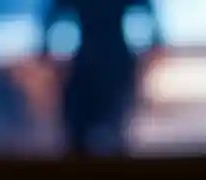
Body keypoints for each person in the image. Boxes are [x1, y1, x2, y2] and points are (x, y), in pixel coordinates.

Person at [43, 0, 163, 156]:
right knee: (105, 132)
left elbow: (50, 20)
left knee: (104, 132)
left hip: (93, 61)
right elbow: (153, 25)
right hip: (108, 60)